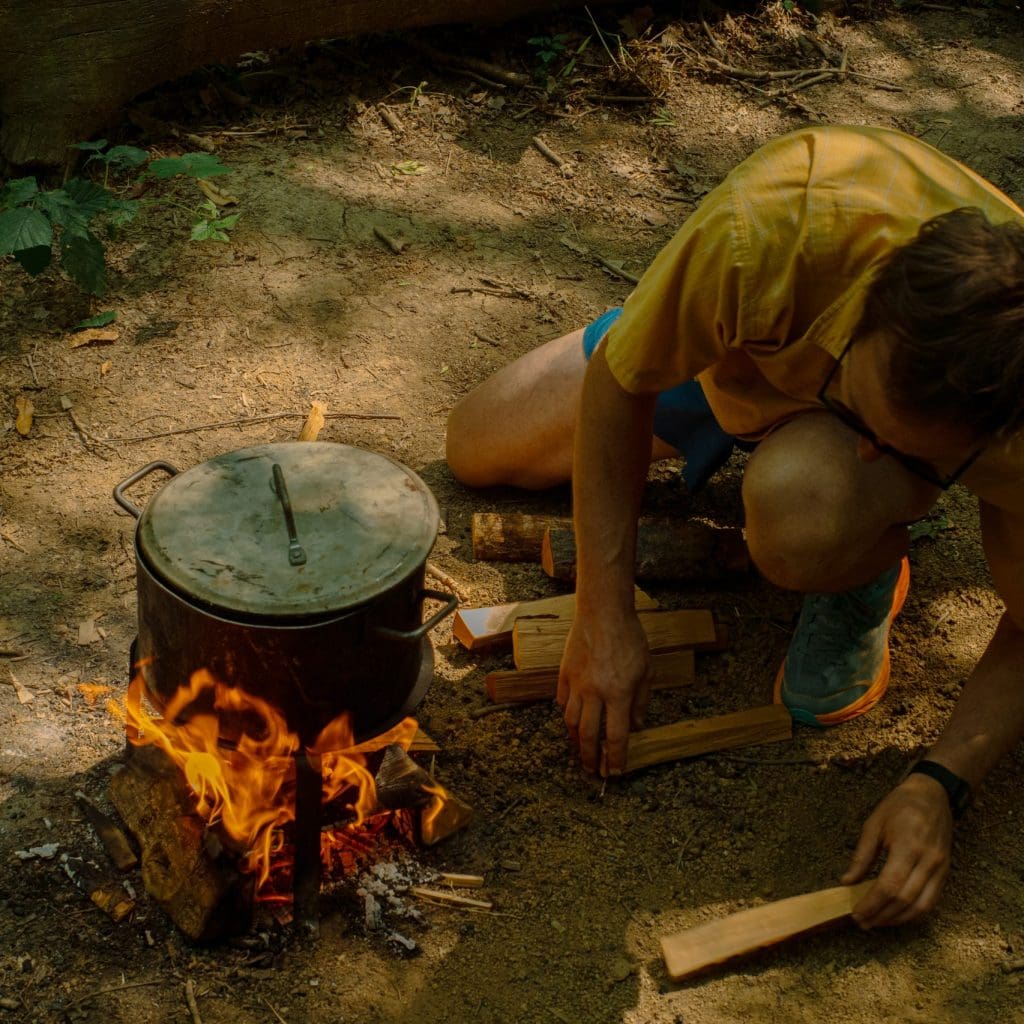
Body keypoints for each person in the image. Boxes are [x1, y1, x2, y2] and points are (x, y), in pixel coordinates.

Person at [446, 124, 1024, 929]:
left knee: (806, 507)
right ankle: (682, 333)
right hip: (749, 349)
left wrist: (940, 782)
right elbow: (615, 383)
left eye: (908, 454)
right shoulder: (770, 231)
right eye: (869, 413)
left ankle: (860, 566)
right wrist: (603, 616)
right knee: (473, 441)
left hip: (807, 451)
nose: (871, 447)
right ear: (865, 308)